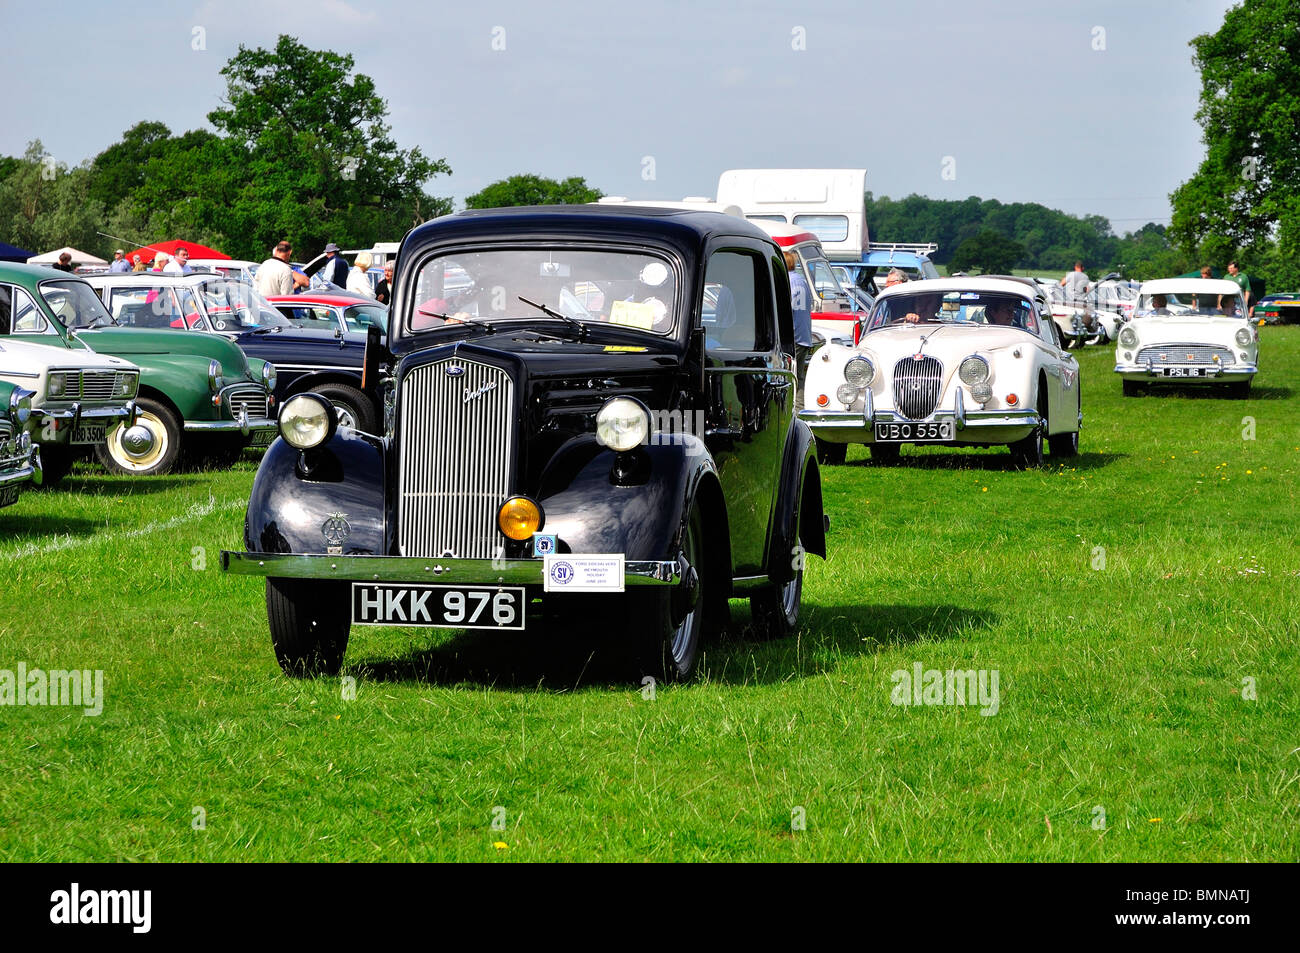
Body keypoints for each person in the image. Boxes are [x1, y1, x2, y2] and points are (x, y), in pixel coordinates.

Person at [785, 250, 813, 398]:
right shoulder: (802, 281)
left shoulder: (786, 281)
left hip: (793, 336)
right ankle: (801, 411)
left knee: (787, 378)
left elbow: (784, 310)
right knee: (799, 379)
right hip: (804, 335)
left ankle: (790, 412)